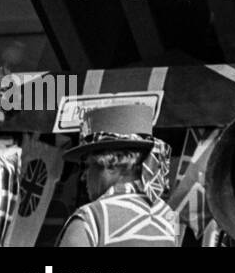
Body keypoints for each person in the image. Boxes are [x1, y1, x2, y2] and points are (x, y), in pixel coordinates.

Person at [57, 104, 178, 247]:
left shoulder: (92, 218)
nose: (84, 176)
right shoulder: (168, 217)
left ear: (111, 162)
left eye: (88, 166)